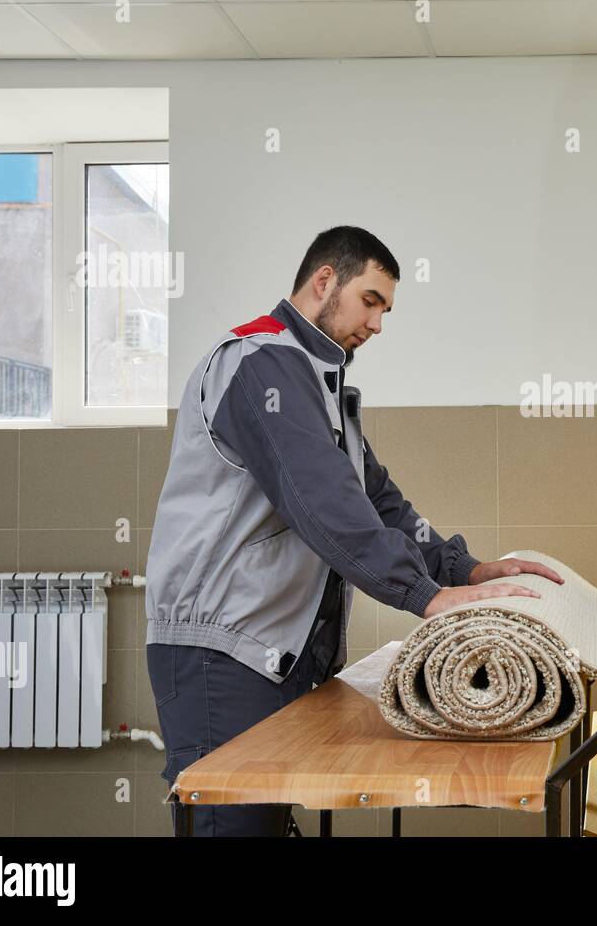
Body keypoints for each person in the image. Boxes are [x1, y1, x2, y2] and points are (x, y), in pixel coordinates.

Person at [144, 225, 563, 836]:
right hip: (219, 651)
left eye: (386, 309)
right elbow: (327, 506)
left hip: (272, 655)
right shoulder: (258, 363)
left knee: (262, 826)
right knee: (230, 827)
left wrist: (468, 570)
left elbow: (382, 505)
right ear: (323, 282)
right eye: (371, 300)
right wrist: (427, 598)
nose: (378, 323)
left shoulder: (320, 388)